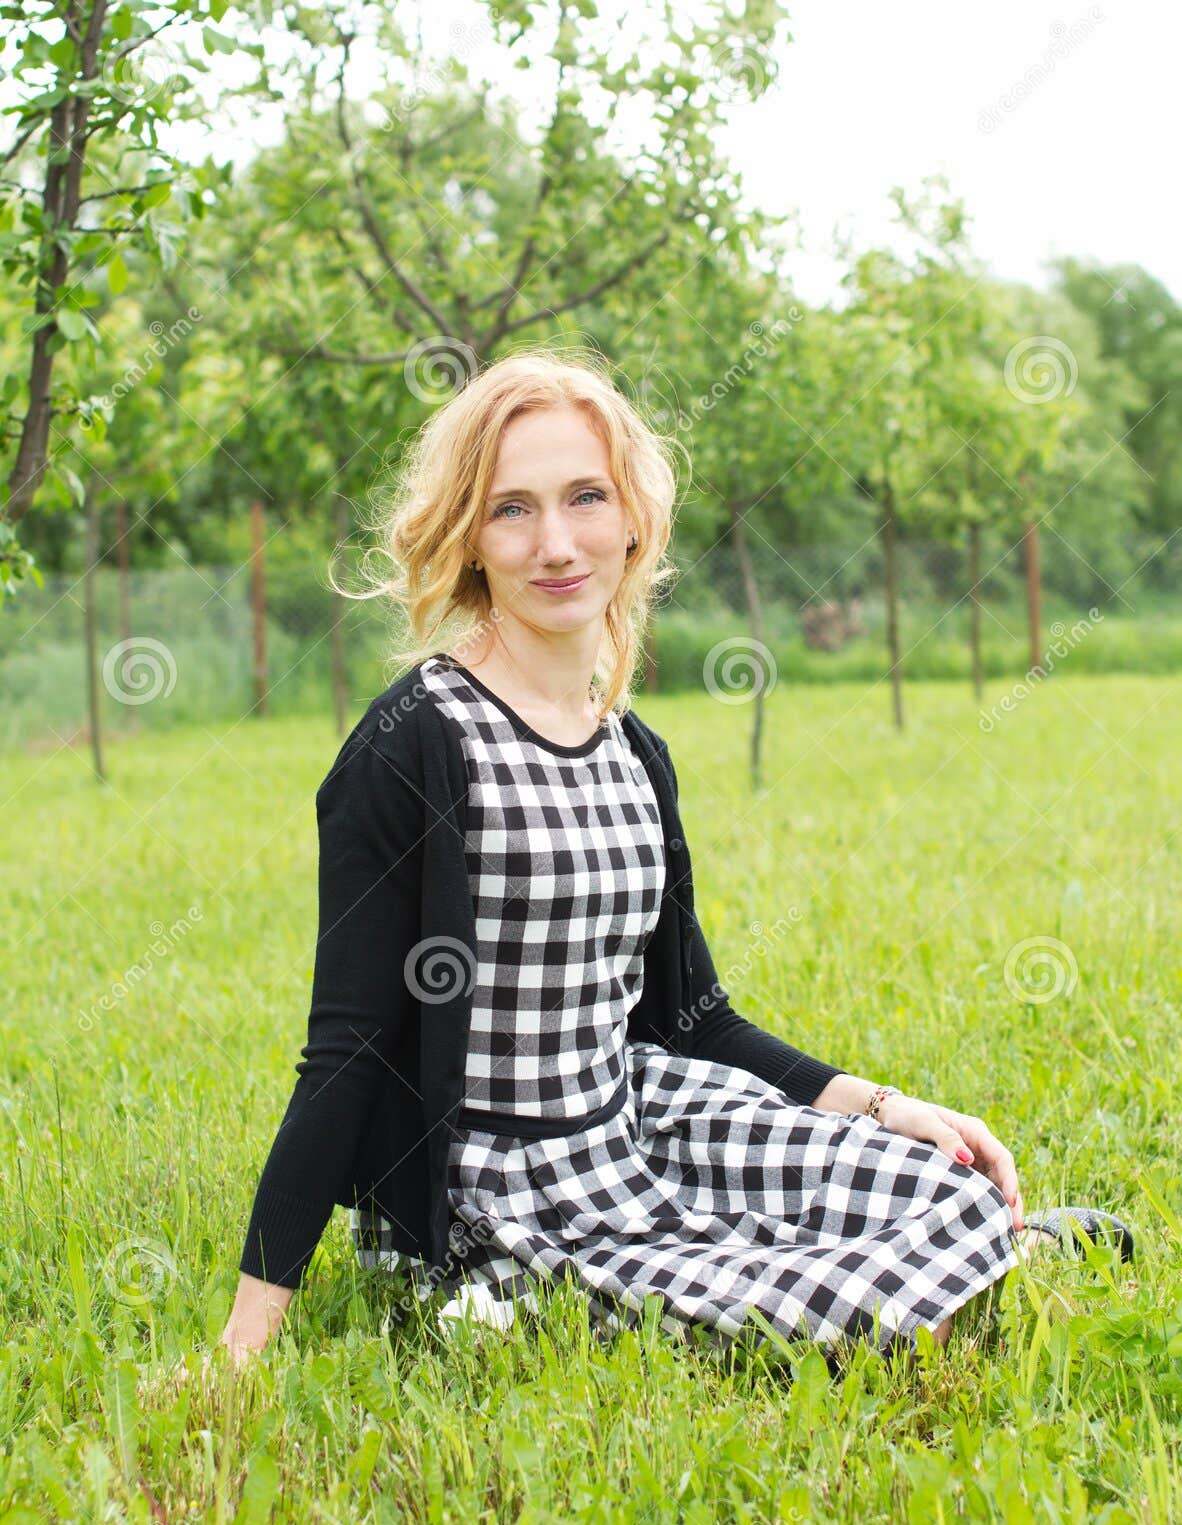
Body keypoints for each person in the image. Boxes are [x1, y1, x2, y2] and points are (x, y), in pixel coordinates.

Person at [220, 348, 1133, 1366]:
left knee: (948, 1178)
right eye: (512, 509)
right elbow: (343, 1053)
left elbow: (693, 1016)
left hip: (637, 1121)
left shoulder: (632, 749)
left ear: (634, 519)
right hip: (503, 1200)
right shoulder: (415, 744)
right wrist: (241, 1346)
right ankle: (983, 1269)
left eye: (585, 497)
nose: (557, 543)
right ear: (469, 538)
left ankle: (976, 1247)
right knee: (814, 1315)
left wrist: (888, 1107)